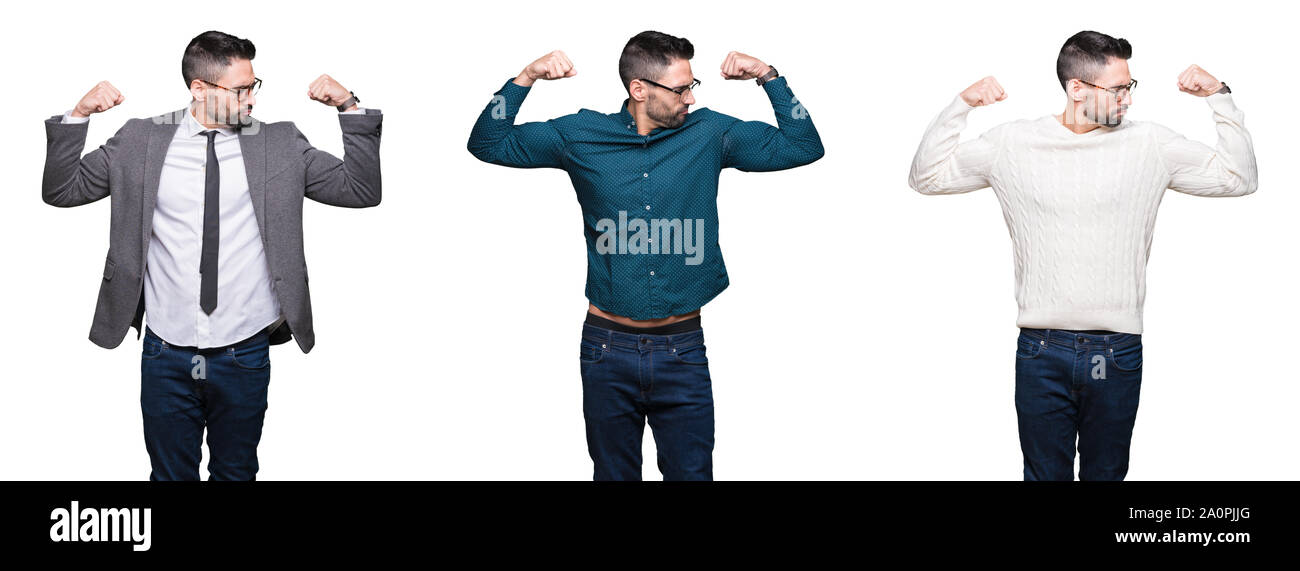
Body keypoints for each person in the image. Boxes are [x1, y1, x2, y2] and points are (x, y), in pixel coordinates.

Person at [468, 30, 823, 480]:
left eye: (692, 87)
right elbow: (487, 143)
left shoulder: (710, 133)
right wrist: (525, 78)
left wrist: (769, 77)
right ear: (639, 89)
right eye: (681, 89)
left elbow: (804, 145)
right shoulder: (579, 135)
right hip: (605, 348)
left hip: (683, 349)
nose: (690, 99)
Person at [908, 30, 1257, 481]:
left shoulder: (1150, 143)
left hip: (1117, 350)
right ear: (1077, 88)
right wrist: (961, 106)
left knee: (1106, 477)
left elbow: (1239, 178)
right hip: (1040, 350)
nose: (1127, 99)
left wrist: (1220, 98)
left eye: (1130, 87)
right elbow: (926, 177)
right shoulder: (1012, 143)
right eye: (1118, 89)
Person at [41, 30, 384, 480]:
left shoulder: (279, 143)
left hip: (244, 351)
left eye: (253, 86)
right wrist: (79, 114)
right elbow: (62, 191)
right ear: (198, 89)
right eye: (240, 89)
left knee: (236, 473)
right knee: (168, 477)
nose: (251, 100)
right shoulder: (141, 140)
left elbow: (360, 190)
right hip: (165, 352)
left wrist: (349, 106)